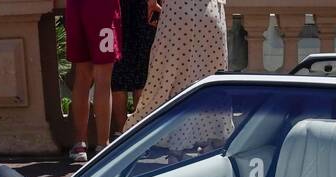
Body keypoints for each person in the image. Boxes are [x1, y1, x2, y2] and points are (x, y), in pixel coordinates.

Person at [128, 0, 231, 155]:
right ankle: (214, 137)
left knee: (169, 76)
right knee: (211, 75)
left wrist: (151, 3)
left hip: (178, 11)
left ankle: (170, 142)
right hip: (212, 13)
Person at [66, 0, 122, 163]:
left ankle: (79, 144)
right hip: (103, 7)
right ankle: (103, 145)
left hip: (75, 6)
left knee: (82, 75)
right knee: (103, 78)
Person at [110, 0, 158, 137]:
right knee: (142, 74)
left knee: (119, 74)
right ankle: (140, 133)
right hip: (143, 8)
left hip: (119, 8)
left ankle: (122, 133)